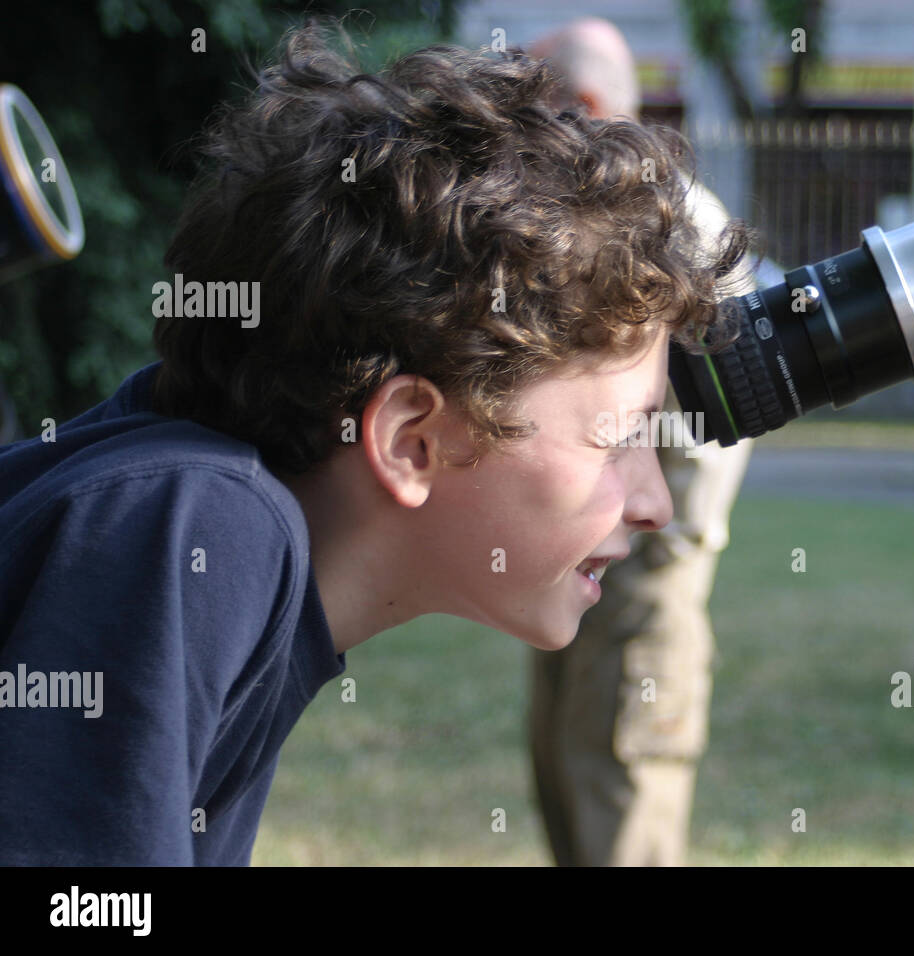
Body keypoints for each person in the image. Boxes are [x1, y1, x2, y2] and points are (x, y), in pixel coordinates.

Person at [0, 20, 748, 865]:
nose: (654, 505)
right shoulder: (198, 525)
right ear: (408, 441)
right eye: (618, 439)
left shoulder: (218, 529)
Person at [526, 18, 756, 866]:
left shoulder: (669, 215)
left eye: (534, 103)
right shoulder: (606, 206)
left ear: (583, 104)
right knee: (566, 773)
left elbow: (718, 411)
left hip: (642, 567)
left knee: (624, 803)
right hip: (584, 550)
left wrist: (649, 537)